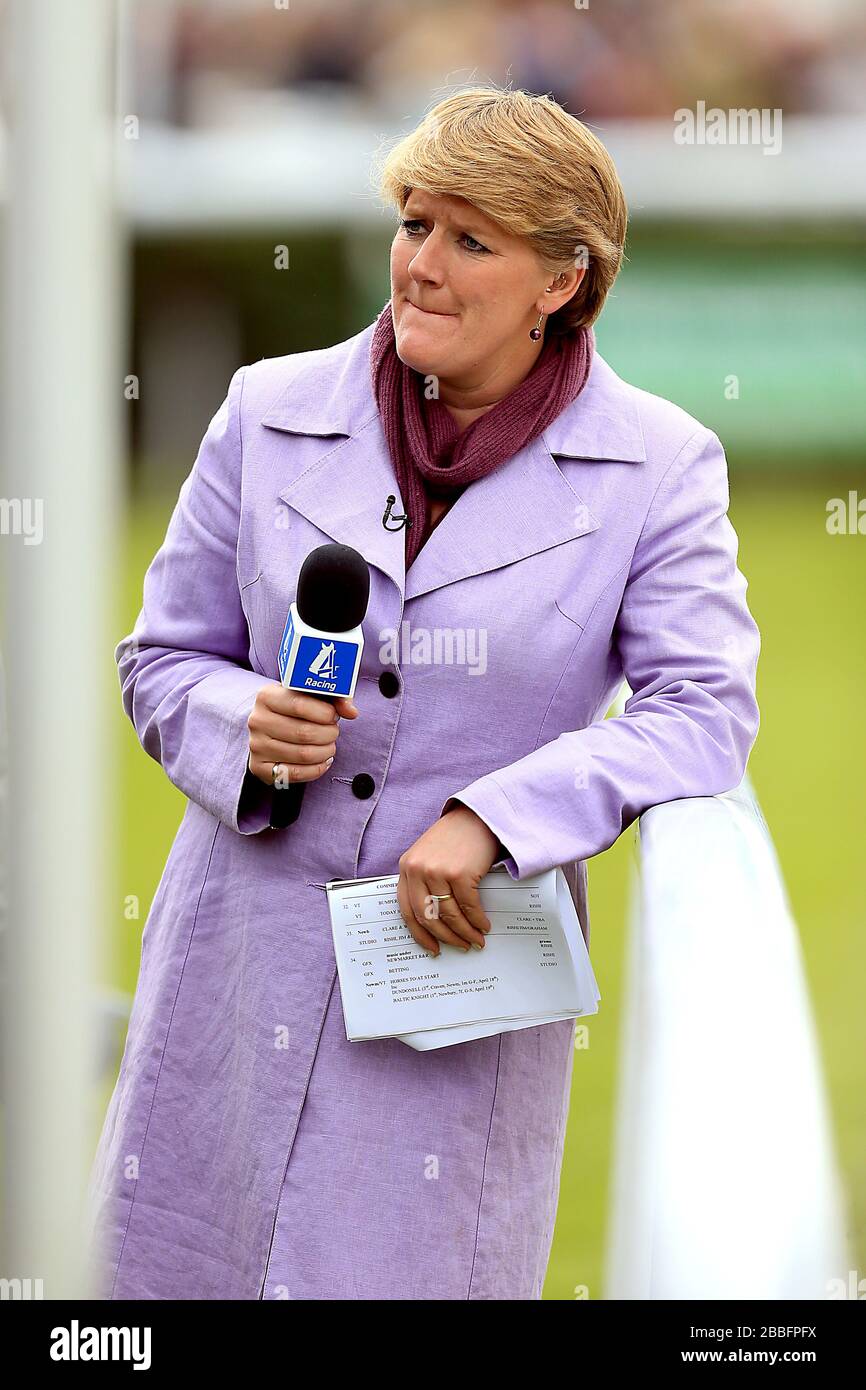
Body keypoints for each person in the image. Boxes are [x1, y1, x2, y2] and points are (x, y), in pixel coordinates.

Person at [86, 86, 760, 1301]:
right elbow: (161, 657)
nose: (420, 265)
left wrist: (500, 817)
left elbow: (704, 706)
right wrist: (243, 725)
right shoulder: (266, 408)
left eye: (470, 239)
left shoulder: (659, 467)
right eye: (413, 222)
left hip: (447, 1014)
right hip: (233, 992)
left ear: (562, 280)